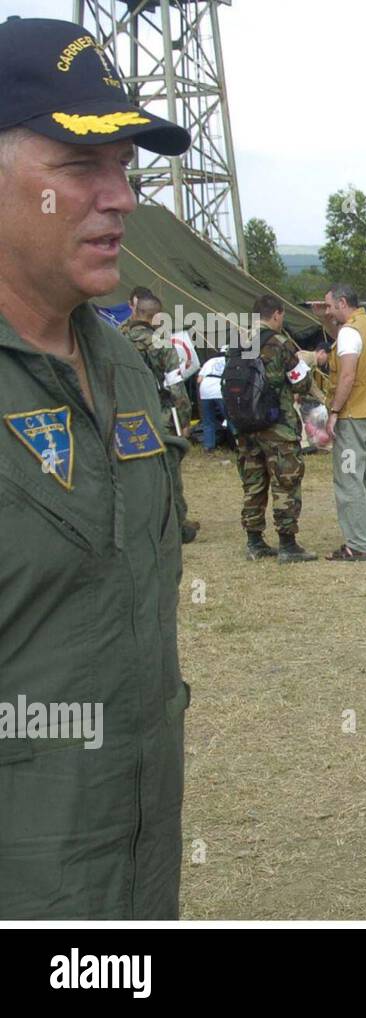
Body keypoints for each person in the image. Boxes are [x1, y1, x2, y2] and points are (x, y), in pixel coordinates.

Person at [0, 15, 191, 918]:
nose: (120, 198)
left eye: (127, 167)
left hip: (136, 874)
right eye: (81, 167)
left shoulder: (124, 367)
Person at [234, 296, 316, 564]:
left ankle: (254, 542)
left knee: (253, 483)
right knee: (286, 481)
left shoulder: (239, 342)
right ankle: (288, 544)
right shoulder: (280, 344)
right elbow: (301, 383)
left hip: (246, 425)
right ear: (277, 315)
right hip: (276, 426)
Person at [319, 283, 366, 561]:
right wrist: (326, 320)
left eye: (329, 306)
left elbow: (347, 376)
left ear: (343, 302)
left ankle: (357, 544)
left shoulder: (349, 332)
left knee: (349, 479)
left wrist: (334, 410)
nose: (327, 310)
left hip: (352, 415)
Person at [121, 292, 199, 542]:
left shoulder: (116, 339)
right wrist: (185, 420)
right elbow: (176, 387)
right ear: (156, 316)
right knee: (169, 473)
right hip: (160, 415)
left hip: (123, 415)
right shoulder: (162, 345)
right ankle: (176, 525)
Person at [196, 347, 230, 450]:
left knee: (207, 421)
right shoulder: (229, 361)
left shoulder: (209, 361)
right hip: (219, 389)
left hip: (205, 390)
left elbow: (199, 380)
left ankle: (208, 446)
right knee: (230, 418)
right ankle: (237, 443)